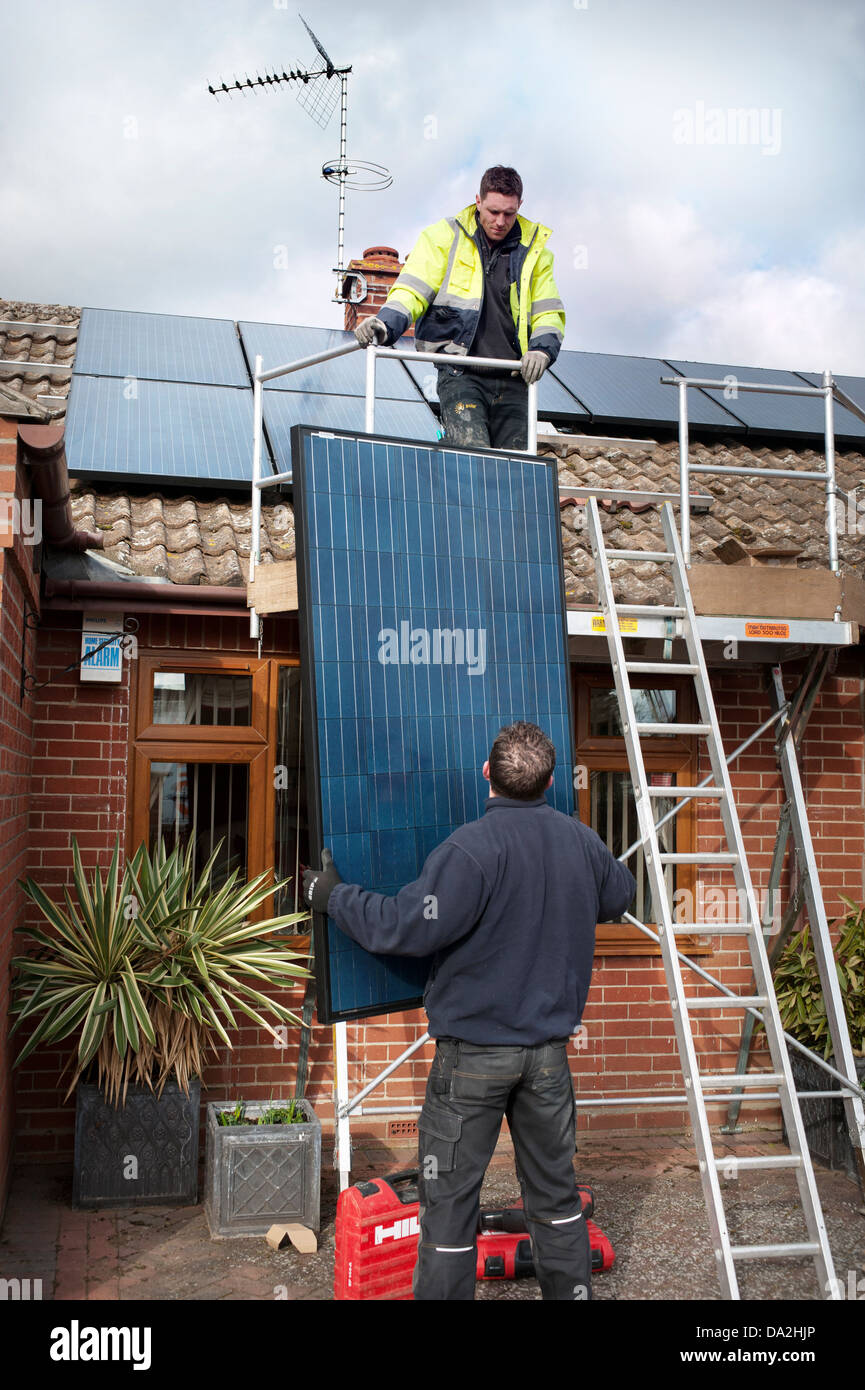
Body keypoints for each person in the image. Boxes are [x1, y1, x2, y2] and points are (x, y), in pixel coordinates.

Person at [303, 721, 636, 1301]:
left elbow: (405, 927)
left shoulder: (471, 849)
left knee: (451, 1207)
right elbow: (619, 895)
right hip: (548, 1063)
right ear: (551, 781)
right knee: (557, 1201)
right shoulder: (581, 841)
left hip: (473, 1063)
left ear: (487, 774)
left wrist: (333, 896)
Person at [353, 166, 565, 451]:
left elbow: (548, 311)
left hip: (514, 378)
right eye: (493, 211)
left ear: (520, 206)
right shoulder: (443, 237)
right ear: (477, 201)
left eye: (509, 213)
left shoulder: (535, 250)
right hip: (461, 374)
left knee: (517, 475)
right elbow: (412, 289)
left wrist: (542, 349)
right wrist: (384, 324)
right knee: (471, 458)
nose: (501, 221)